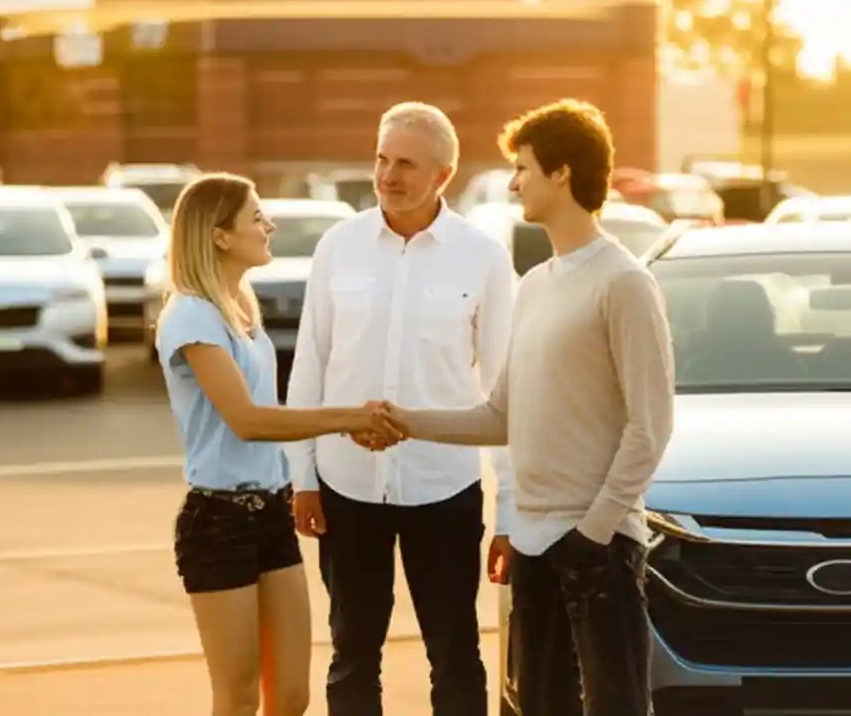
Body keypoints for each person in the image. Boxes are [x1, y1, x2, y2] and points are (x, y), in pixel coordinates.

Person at [376, 99, 675, 716]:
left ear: (562, 173)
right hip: (536, 549)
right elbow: (500, 417)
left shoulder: (624, 282)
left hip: (599, 549)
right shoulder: (537, 282)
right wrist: (403, 421)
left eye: (524, 168)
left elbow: (651, 428)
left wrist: (592, 536)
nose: (514, 183)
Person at [284, 102, 515, 716]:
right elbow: (311, 362)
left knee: (457, 654)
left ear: (443, 174)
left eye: (406, 163)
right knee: (351, 656)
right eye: (382, 158)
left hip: (444, 490)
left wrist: (512, 510)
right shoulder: (339, 246)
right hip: (345, 487)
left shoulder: (485, 258)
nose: (388, 175)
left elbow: (504, 395)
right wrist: (303, 477)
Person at [155, 173, 403, 716]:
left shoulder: (238, 308)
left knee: (290, 697)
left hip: (269, 512)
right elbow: (247, 419)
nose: (269, 225)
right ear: (220, 236)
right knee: (239, 696)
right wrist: (348, 419)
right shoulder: (192, 315)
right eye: (256, 217)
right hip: (217, 523)